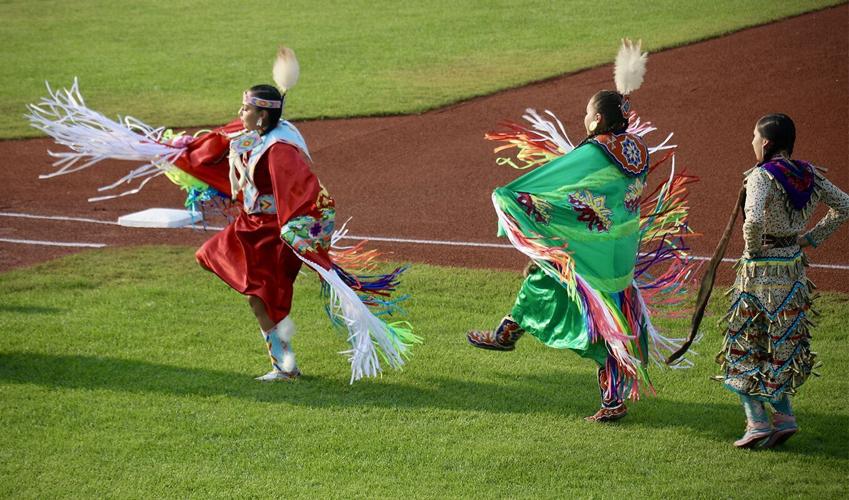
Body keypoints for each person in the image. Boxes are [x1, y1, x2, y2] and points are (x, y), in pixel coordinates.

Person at [26, 47, 418, 383]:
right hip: (251, 226)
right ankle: (284, 363)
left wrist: (299, 236)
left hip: (272, 233)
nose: (238, 112)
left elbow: (307, 194)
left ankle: (285, 366)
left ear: (261, 116)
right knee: (251, 291)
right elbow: (219, 138)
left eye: (245, 108)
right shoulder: (256, 130)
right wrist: (177, 146)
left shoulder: (281, 150)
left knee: (262, 297)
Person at [467, 40, 695, 421]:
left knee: (557, 289)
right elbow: (602, 195)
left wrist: (510, 198)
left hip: (593, 249)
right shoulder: (638, 149)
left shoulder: (593, 152)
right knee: (597, 311)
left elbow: (555, 182)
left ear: (598, 119)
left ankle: (507, 334)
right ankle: (609, 398)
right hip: (620, 252)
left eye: (588, 113)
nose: (585, 118)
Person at [718, 113, 849, 448]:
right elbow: (844, 206)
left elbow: (752, 222)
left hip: (759, 275)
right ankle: (785, 417)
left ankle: (757, 422)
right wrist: (809, 238)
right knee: (781, 343)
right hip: (792, 270)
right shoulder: (808, 175)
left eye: (754, 136)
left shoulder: (761, 176)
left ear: (766, 143)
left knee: (745, 343)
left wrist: (752, 251)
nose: (751, 142)